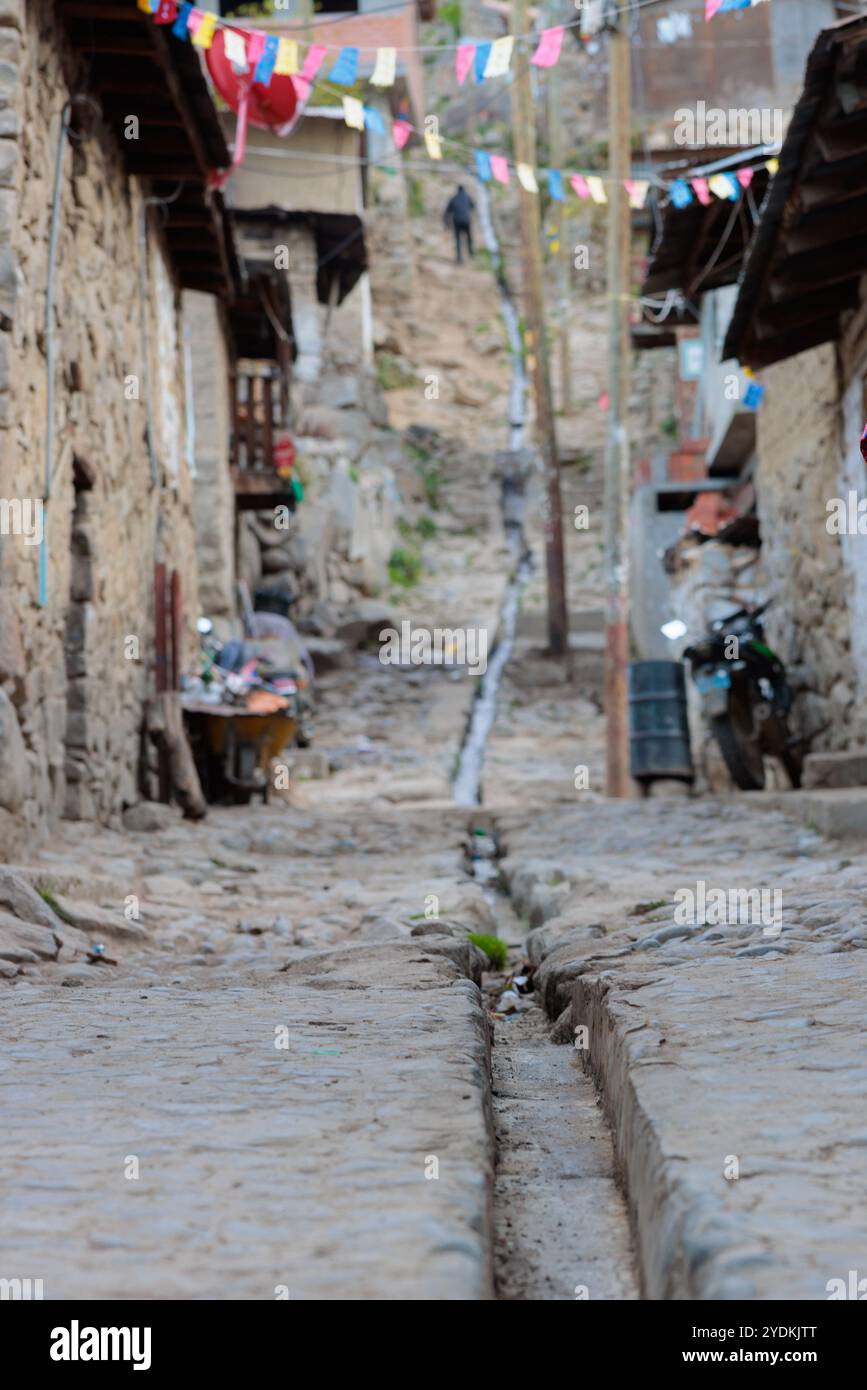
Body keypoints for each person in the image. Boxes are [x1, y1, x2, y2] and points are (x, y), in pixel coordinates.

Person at [444, 185, 475, 263]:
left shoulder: (454, 198)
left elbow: (448, 211)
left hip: (457, 221)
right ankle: (471, 253)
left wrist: (447, 223)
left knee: (458, 239)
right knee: (469, 238)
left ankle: (459, 257)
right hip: (466, 220)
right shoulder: (467, 197)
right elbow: (473, 206)